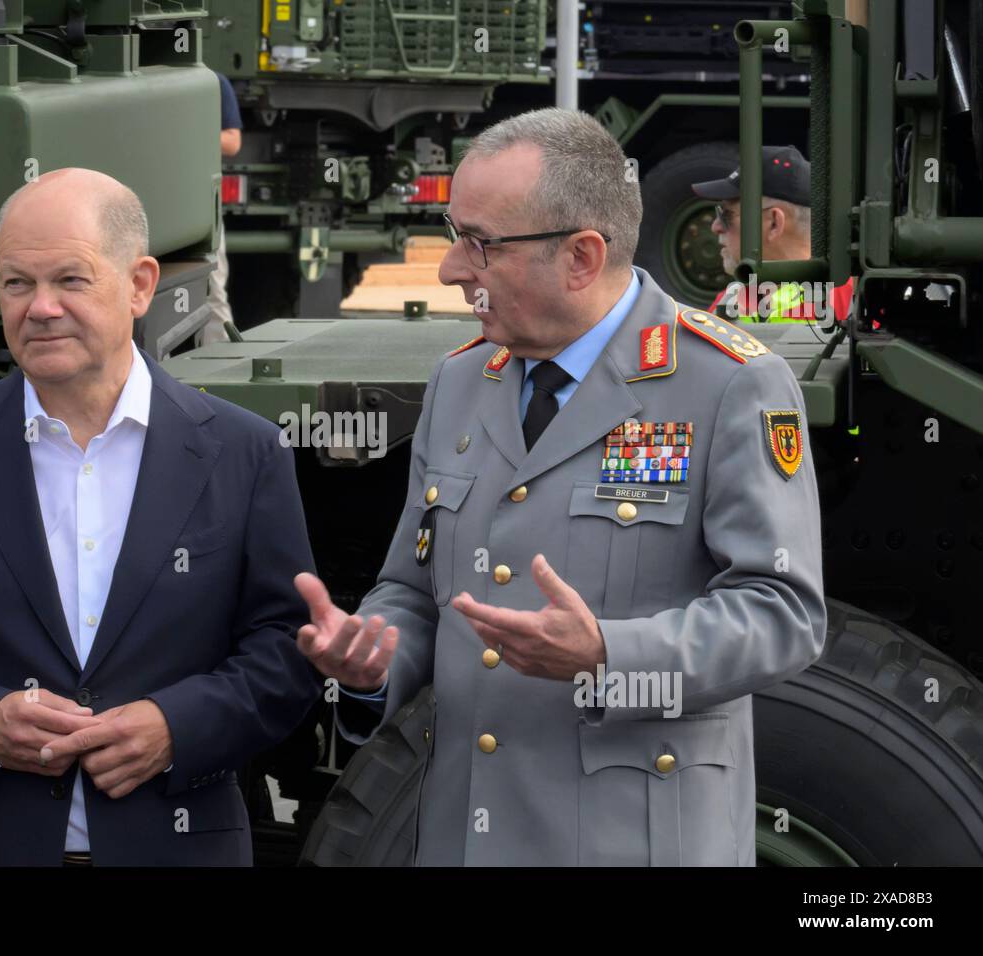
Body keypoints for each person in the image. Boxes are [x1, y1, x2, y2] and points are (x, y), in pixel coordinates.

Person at [293, 109, 827, 866]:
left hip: (632, 840)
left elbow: (785, 614)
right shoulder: (458, 381)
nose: (451, 269)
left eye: (480, 244)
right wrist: (373, 656)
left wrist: (609, 652)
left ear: (581, 256)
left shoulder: (730, 384)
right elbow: (411, 591)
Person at [0, 168, 320, 866]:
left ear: (141, 283)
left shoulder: (244, 452)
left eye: (70, 280)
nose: (40, 307)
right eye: (17, 283)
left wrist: (177, 727)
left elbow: (287, 653)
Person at [692, 144, 854, 322]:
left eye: (726, 215)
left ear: (775, 223)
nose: (715, 226)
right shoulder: (732, 299)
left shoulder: (855, 302)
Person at [198, 71, 243, 346]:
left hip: (201, 201)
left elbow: (232, 141)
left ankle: (219, 363)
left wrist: (186, 131)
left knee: (212, 288)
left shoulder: (213, 81)